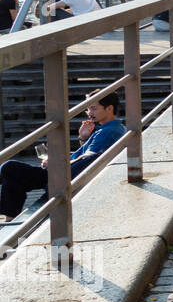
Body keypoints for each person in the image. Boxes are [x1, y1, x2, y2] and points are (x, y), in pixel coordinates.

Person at [1, 91, 127, 221]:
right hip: (66, 171)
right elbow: (88, 156)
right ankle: (10, 219)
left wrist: (56, 164)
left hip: (63, 176)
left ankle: (10, 220)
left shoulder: (109, 131)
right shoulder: (111, 128)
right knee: (10, 173)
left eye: (93, 108)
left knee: (9, 169)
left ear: (109, 108)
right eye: (87, 109)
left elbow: (87, 159)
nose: (89, 113)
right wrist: (83, 138)